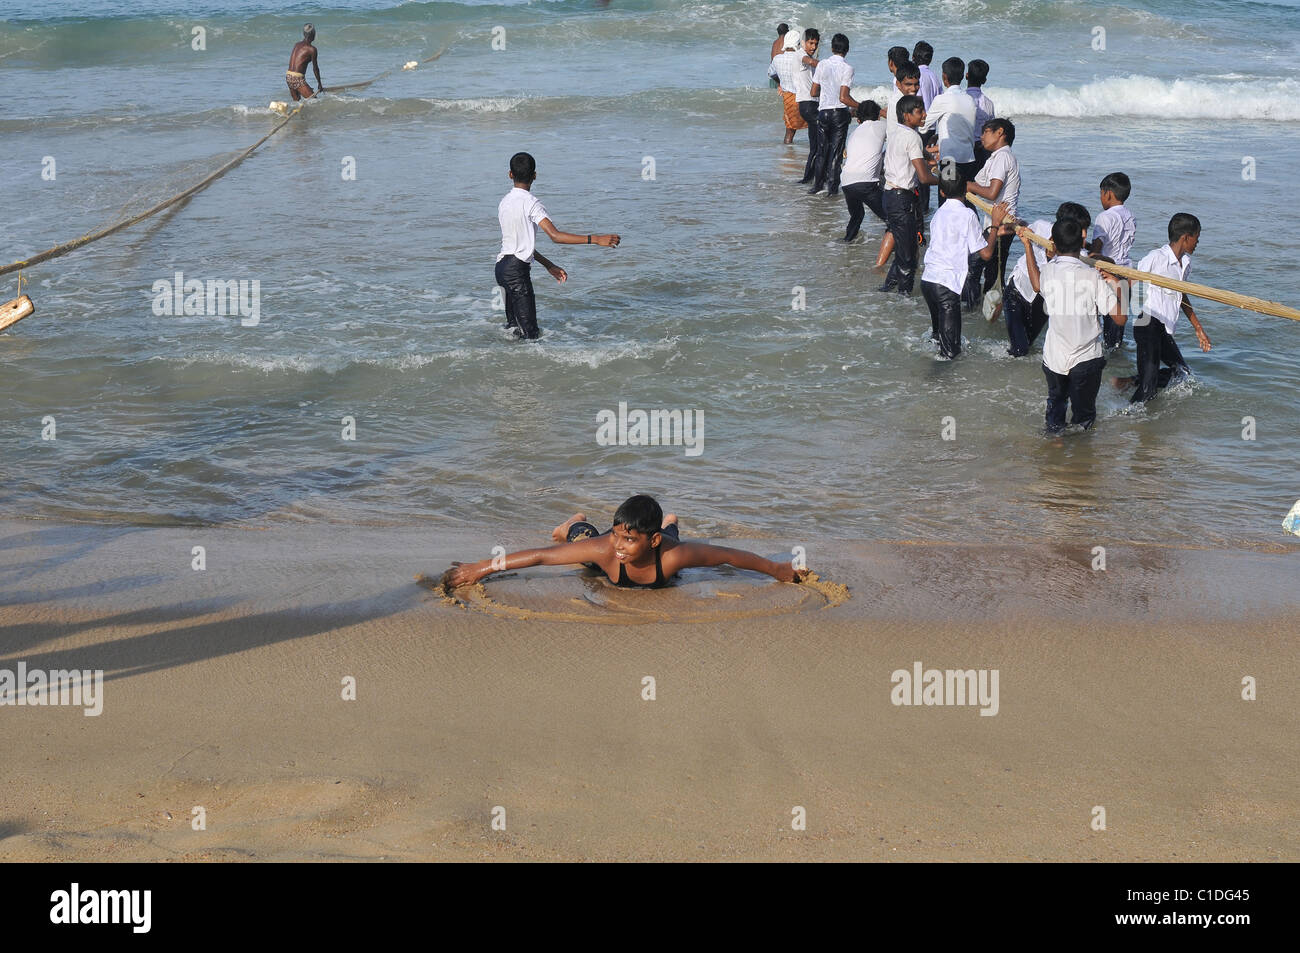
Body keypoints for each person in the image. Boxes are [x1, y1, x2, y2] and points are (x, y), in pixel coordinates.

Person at [442, 495, 806, 589]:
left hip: (663, 542)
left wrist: (777, 569)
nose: (620, 545)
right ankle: (574, 519)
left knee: (674, 533)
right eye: (619, 536)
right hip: (595, 545)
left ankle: (670, 522)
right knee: (580, 540)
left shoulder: (674, 555)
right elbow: (541, 556)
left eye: (629, 540)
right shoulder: (608, 549)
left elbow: (728, 556)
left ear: (651, 541)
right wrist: (481, 568)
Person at [495, 152, 620, 340]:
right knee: (530, 336)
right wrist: (595, 239)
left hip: (501, 269)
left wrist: (548, 265)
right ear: (535, 175)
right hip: (517, 272)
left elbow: (519, 244)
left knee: (513, 331)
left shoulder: (504, 202)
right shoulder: (531, 203)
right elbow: (555, 236)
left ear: (510, 174)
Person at [1022, 218, 1126, 432]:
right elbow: (1120, 318)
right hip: (1086, 358)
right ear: (1082, 242)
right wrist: (1116, 282)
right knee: (1084, 418)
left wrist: (1027, 247)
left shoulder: (1049, 271)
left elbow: (1035, 282)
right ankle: (1079, 461)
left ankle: (1054, 451)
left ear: (1054, 245)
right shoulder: (1091, 276)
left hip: (1055, 358)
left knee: (1055, 410)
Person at [1120, 213, 1212, 403]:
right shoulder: (1156, 258)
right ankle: (1127, 421)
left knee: (1182, 373)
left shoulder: (1185, 263)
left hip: (1164, 330)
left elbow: (1182, 295)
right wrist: (1139, 313)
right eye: (1197, 237)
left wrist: (1198, 328)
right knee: (1148, 390)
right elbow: (1133, 282)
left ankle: (1131, 381)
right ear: (1186, 237)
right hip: (1148, 324)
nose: (1197, 242)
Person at [921, 175, 1009, 358]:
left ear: (942, 192)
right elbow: (985, 254)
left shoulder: (939, 213)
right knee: (950, 353)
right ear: (966, 190)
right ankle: (938, 383)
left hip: (928, 281)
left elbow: (966, 241)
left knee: (938, 339)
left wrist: (993, 233)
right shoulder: (968, 214)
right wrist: (994, 224)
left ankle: (931, 380)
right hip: (946, 285)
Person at [1003, 203, 1090, 357]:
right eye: (1081, 229)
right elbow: (1019, 226)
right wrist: (1011, 223)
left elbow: (1093, 261)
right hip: (1017, 291)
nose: (1084, 235)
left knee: (1027, 347)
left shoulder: (1077, 253)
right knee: (1020, 350)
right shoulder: (1040, 228)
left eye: (1086, 230)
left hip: (1042, 303)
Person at [879, 94, 940, 295]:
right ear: (906, 116)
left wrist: (929, 159)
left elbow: (920, 159)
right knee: (908, 257)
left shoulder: (897, 132)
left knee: (905, 249)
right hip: (901, 198)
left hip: (891, 195)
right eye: (919, 111)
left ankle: (887, 289)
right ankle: (904, 299)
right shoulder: (913, 137)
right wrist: (947, 182)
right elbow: (923, 178)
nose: (924, 115)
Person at [963, 118, 1020, 306]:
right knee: (992, 272)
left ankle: (972, 312)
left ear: (1000, 132)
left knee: (976, 269)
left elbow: (992, 192)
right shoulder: (997, 157)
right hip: (996, 222)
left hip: (1001, 224)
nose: (982, 136)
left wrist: (968, 185)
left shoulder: (1002, 157)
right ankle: (991, 314)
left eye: (986, 131)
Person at [1087, 172, 1137, 348]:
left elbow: (1097, 249)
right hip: (1125, 274)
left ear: (1107, 193)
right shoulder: (1131, 216)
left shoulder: (1105, 217)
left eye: (1101, 194)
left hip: (1107, 275)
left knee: (1094, 322)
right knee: (1116, 333)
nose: (1101, 198)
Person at [808, 33, 859, 196]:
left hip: (823, 113)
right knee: (836, 152)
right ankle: (832, 188)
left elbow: (813, 91)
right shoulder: (847, 68)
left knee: (822, 150)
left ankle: (817, 186)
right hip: (839, 113)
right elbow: (843, 97)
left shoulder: (822, 64)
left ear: (831, 48)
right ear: (847, 50)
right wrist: (861, 106)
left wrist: (827, 90)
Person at [921, 57, 978, 189]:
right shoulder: (970, 100)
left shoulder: (942, 99)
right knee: (965, 197)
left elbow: (923, 125)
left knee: (947, 197)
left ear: (944, 77)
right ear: (963, 76)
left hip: (950, 159)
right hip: (969, 157)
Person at [840, 101, 887, 242]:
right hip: (866, 183)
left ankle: (847, 242)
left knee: (857, 215)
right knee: (892, 219)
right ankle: (897, 253)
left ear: (859, 119)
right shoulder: (881, 126)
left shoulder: (854, 133)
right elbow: (900, 134)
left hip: (846, 182)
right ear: (878, 116)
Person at [794, 29, 822, 184]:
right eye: (811, 43)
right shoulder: (800, 55)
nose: (813, 46)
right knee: (822, 142)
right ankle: (816, 179)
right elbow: (809, 61)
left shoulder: (811, 57)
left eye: (816, 44)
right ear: (803, 42)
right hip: (806, 104)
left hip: (814, 103)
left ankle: (807, 179)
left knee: (815, 147)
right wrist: (827, 65)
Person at [768, 31, 804, 144]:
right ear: (797, 43)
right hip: (803, 97)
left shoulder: (777, 59)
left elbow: (771, 73)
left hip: (788, 97)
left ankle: (788, 154)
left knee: (790, 130)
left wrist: (780, 83)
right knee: (815, 127)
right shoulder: (802, 58)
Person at [965, 59, 995, 172]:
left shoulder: (960, 99)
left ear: (966, 76)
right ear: (984, 80)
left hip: (963, 147)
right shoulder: (988, 103)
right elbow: (990, 130)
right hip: (982, 150)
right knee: (978, 185)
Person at [286, 23, 324, 100]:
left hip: (288, 76)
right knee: (314, 102)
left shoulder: (296, 44)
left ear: (304, 34)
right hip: (297, 79)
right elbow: (315, 69)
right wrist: (320, 84)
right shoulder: (312, 49)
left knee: (297, 102)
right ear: (313, 35)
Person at [913, 41, 943, 109]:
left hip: (920, 117)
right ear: (930, 60)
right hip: (934, 118)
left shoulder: (914, 76)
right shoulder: (936, 77)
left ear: (913, 57)